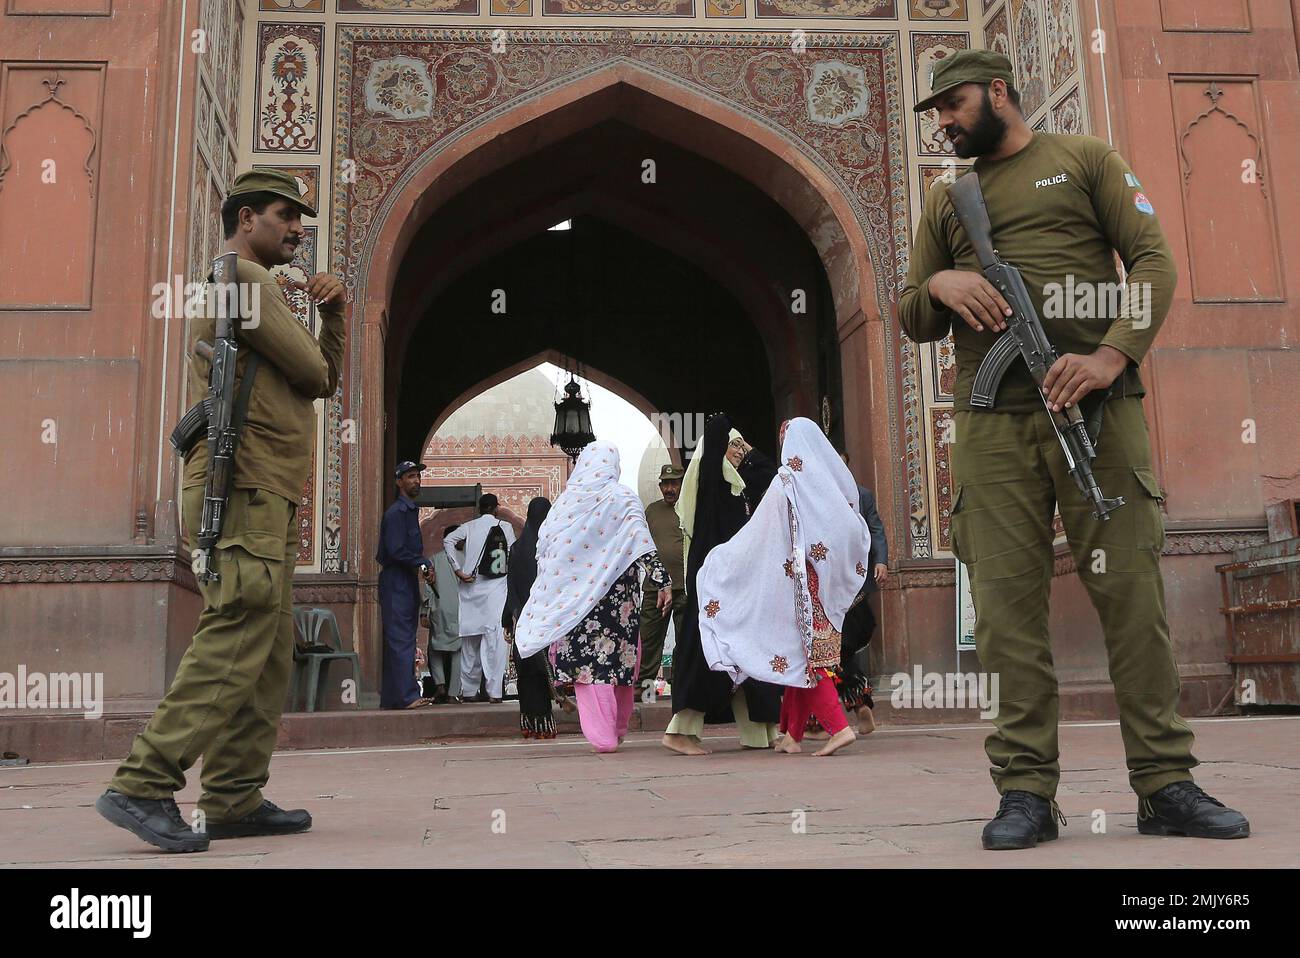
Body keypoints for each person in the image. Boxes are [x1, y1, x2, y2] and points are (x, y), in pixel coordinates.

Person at [901, 50, 1249, 848]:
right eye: (936, 115)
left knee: (1131, 598)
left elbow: (1154, 260)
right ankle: (1025, 791)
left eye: (953, 105)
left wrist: (1110, 357)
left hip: (1100, 410)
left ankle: (1165, 784)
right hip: (993, 425)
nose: (946, 123)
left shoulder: (1084, 160)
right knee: (1006, 614)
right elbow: (911, 313)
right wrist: (939, 288)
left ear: (998, 92)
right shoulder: (948, 199)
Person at [97, 169, 344, 852]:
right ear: (245, 220)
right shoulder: (245, 280)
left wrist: (337, 317)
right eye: (283, 216)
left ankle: (234, 794)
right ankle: (144, 781)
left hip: (264, 486)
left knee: (267, 647)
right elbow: (319, 376)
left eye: (300, 219)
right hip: (242, 484)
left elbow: (317, 380)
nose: (297, 229)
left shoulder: (255, 286)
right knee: (239, 628)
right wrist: (332, 320)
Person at [698, 418, 872, 757]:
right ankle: (792, 734)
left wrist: (723, 559)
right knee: (798, 654)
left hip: (797, 588)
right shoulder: (829, 485)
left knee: (810, 661)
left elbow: (760, 533)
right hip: (821, 583)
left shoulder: (788, 482)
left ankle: (838, 728)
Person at [515, 442, 672, 753]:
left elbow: (545, 553)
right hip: (619, 602)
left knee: (591, 667)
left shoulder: (564, 504)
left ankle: (603, 734)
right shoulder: (622, 497)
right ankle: (617, 727)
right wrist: (662, 582)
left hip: (579, 603)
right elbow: (641, 543)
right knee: (619, 665)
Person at [661, 414, 784, 755]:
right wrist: (722, 437)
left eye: (739, 446)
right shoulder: (711, 485)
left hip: (738, 586)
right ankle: (680, 730)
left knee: (747, 655)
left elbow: (773, 479)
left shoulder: (737, 485)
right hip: (715, 588)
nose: (736, 453)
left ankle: (761, 731)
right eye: (731, 446)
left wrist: (750, 452)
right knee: (707, 655)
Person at [443, 494, 520, 703]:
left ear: (479, 509)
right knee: (494, 641)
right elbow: (513, 553)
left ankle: (469, 691)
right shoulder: (505, 527)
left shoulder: (468, 527)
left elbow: (448, 540)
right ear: (495, 508)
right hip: (495, 588)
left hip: (470, 587)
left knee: (470, 641)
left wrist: (458, 570)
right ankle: (494, 692)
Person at [377, 461, 434, 710]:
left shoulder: (410, 511)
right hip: (396, 579)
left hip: (406, 578)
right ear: (399, 482)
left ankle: (392, 697)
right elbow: (396, 550)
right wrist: (422, 561)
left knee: (402, 636)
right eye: (410, 477)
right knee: (401, 637)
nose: (416, 481)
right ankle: (408, 696)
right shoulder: (396, 513)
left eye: (418, 476)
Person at [502, 497, 557, 738]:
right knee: (541, 672)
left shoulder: (516, 548)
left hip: (523, 618)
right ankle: (544, 723)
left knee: (526, 672)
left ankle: (527, 722)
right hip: (544, 619)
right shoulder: (550, 548)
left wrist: (508, 619)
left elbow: (510, 587)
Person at [637, 463, 688, 700]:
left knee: (685, 641)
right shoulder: (651, 510)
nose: (669, 488)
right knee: (649, 642)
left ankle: (680, 691)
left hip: (684, 588)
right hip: (654, 588)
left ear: (681, 484)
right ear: (659, 486)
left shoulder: (690, 507)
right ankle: (647, 694)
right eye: (665, 484)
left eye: (674, 483)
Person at [420, 524, 462, 703]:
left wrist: (424, 612)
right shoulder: (466, 559)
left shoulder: (432, 561)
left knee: (435, 649)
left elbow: (427, 587)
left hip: (439, 610)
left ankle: (440, 685)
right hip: (461, 612)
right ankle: (453, 692)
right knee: (458, 652)